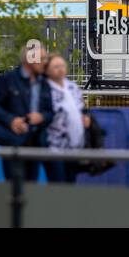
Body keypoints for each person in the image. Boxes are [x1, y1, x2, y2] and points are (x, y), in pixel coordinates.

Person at [0, 42, 55, 183]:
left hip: (35, 144)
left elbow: (51, 111)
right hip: (13, 142)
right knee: (14, 186)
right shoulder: (8, 79)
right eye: (42, 59)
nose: (45, 63)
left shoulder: (45, 82)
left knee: (31, 185)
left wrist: (41, 117)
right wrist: (11, 120)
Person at [43, 53, 91, 184]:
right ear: (47, 70)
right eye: (56, 66)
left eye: (62, 65)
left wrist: (86, 117)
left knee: (71, 182)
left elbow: (81, 107)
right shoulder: (44, 89)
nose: (60, 69)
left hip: (75, 146)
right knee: (58, 183)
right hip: (55, 147)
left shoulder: (72, 87)